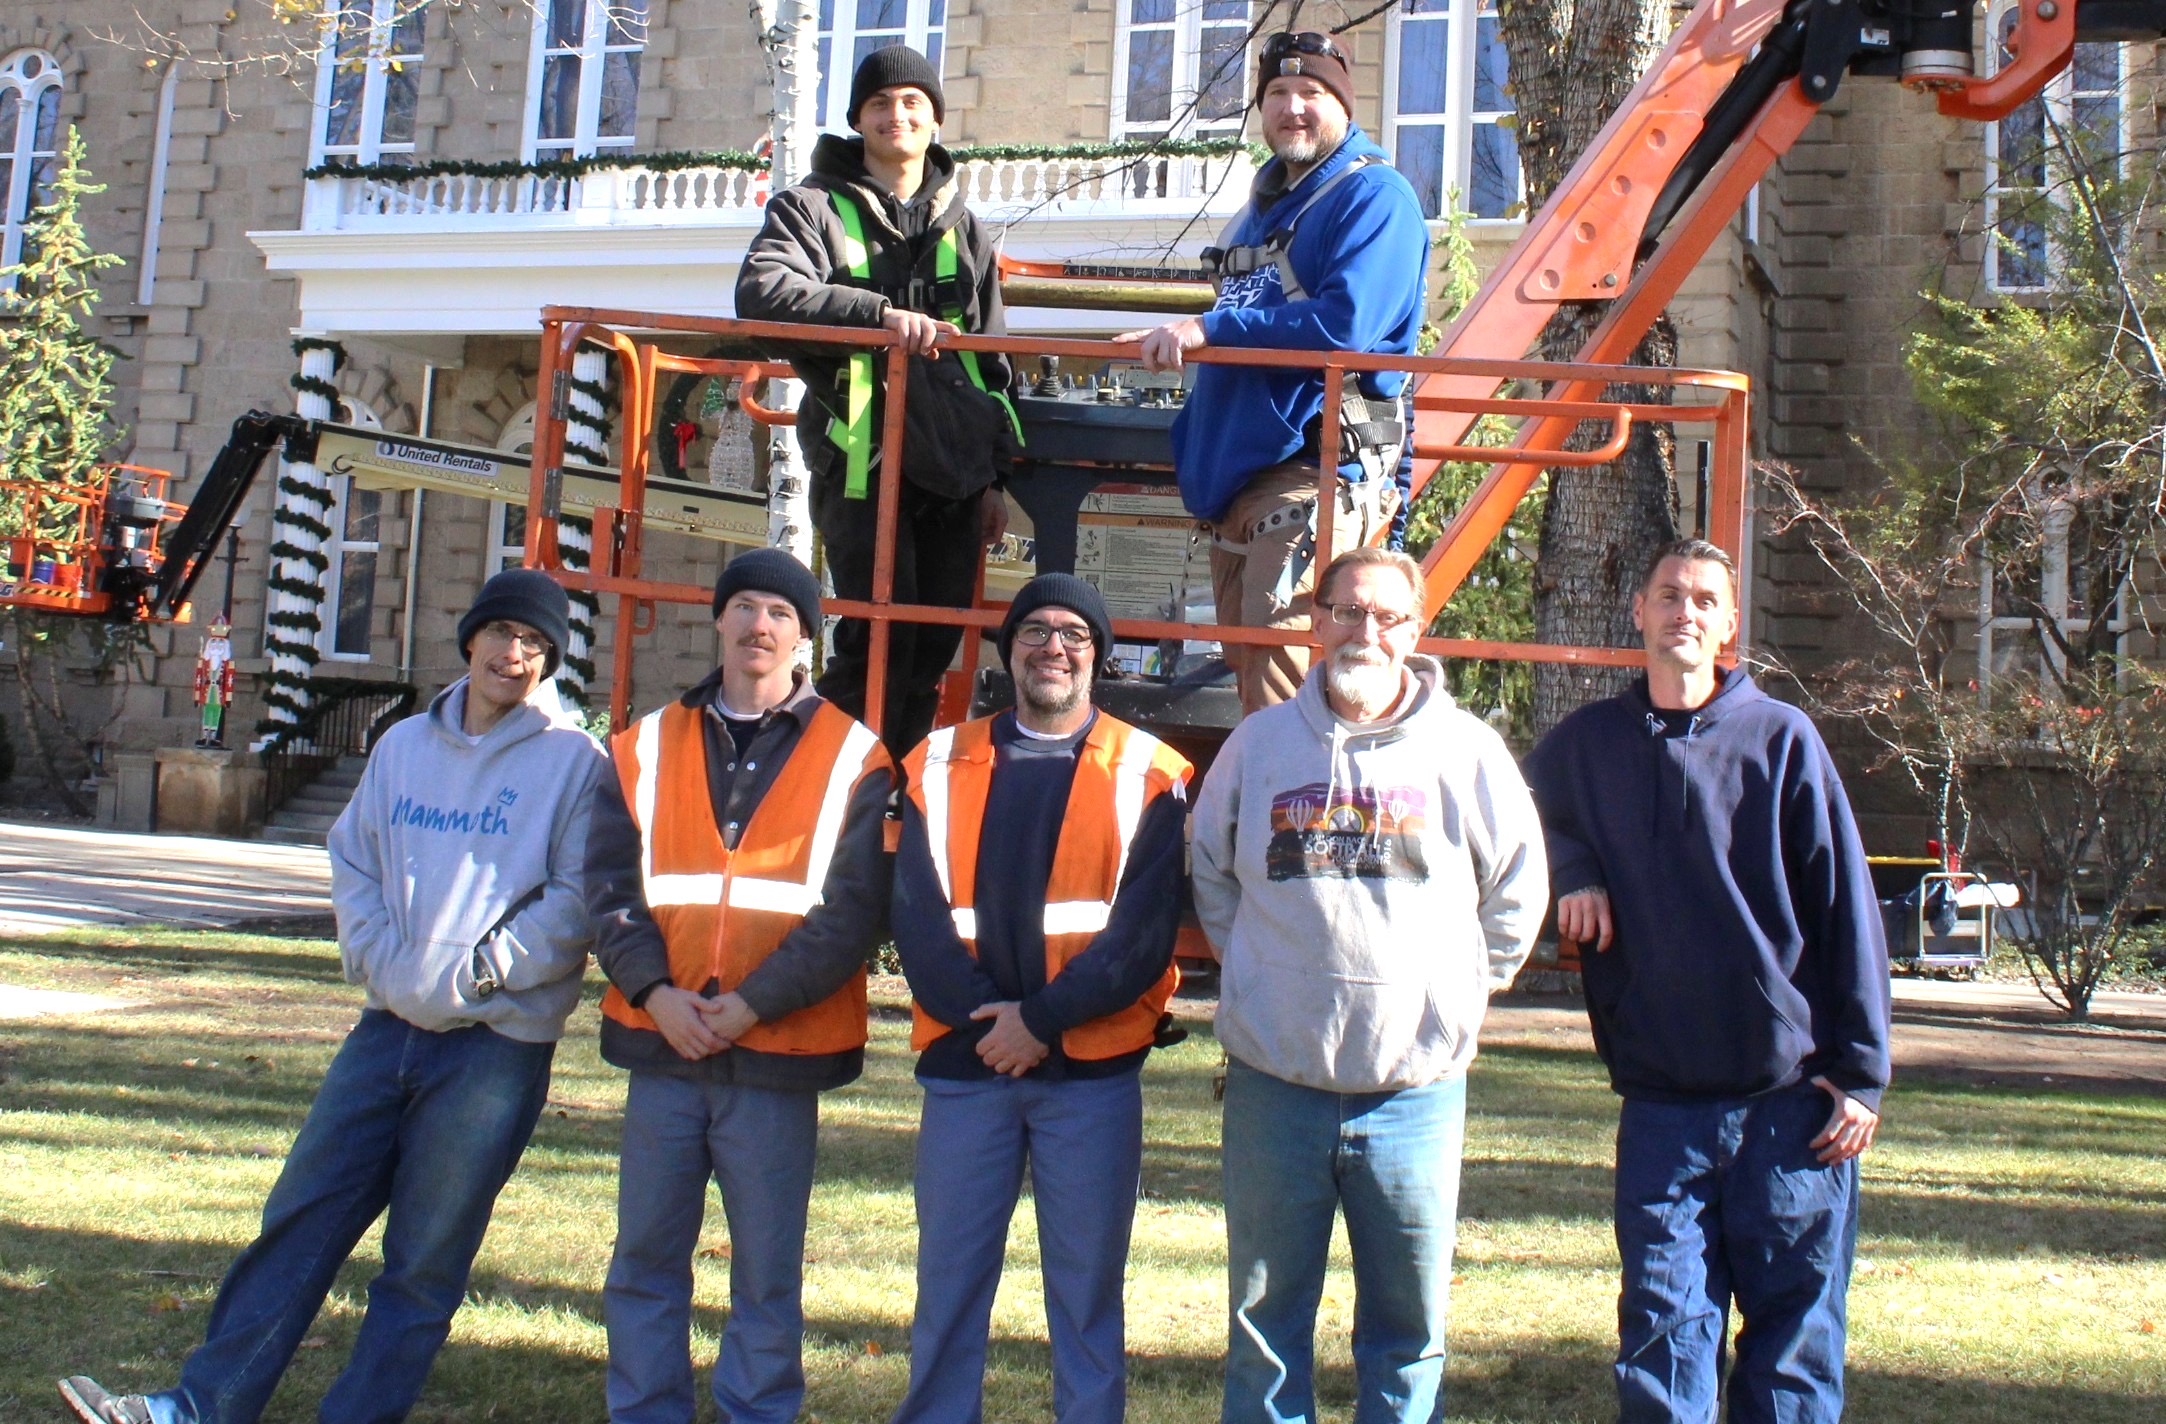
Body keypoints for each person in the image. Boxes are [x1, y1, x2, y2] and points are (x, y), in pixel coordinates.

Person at [60, 569, 605, 1424]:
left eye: (536, 644)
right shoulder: (402, 748)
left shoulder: (576, 764)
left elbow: (578, 899)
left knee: (423, 1263)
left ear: (551, 662)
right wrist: (382, 961)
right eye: (503, 633)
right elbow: (353, 860)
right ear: (471, 638)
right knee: (299, 1223)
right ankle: (199, 1408)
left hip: (494, 1049)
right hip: (384, 1030)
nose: (515, 654)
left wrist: (484, 972)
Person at [1524, 538, 1890, 1424]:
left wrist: (1863, 1070)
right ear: (1639, 613)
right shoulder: (1588, 744)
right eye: (1667, 595)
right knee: (1661, 1332)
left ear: (1728, 625)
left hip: (1790, 1103)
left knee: (1792, 1343)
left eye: (1702, 600)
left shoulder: (1781, 740)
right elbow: (1513, 819)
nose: (1682, 612)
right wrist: (1572, 870)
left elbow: (1847, 908)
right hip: (1662, 1104)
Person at [1190, 548, 1547, 1422]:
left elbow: (1519, 890)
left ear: (1415, 630)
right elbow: (1210, 872)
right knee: (1266, 1328)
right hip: (1277, 1087)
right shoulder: (1258, 745)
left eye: (1387, 616)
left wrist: (1458, 995)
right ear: (1316, 623)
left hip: (1414, 1096)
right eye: (1348, 611)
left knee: (1407, 1329)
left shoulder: (1468, 752)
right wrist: (1271, 981)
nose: (1366, 632)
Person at [586, 548, 893, 1424]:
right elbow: (608, 888)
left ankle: (757, 1411)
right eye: (747, 607)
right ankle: (645, 1410)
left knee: (765, 1268)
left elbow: (852, 910)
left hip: (776, 1053)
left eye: (782, 614)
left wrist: (753, 1001)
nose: (761, 626)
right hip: (665, 1046)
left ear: (804, 637)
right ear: (719, 620)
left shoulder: (857, 758)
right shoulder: (642, 746)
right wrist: (655, 994)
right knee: (644, 1255)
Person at [886, 573, 1191, 1424]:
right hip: (965, 1069)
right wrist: (994, 1029)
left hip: (1089, 1075)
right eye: (1035, 631)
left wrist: (1039, 1024)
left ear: (1097, 655)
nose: (1054, 647)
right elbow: (914, 919)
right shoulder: (935, 763)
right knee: (947, 1284)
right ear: (1008, 649)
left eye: (1074, 635)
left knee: (1087, 1293)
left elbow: (1142, 936)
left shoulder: (1150, 773)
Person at [1119, 32, 1429, 715]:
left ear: (1344, 106)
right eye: (1278, 95)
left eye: (1312, 94)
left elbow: (1345, 328)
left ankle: (1303, 819)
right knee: (1258, 681)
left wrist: (1209, 328)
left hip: (1313, 475)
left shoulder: (1375, 197)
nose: (1294, 108)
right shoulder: (1256, 213)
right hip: (1240, 489)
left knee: (1290, 693)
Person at [736, 46, 1017, 758]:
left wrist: (995, 481)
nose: (899, 115)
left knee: (929, 652)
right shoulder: (810, 209)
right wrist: (876, 315)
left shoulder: (967, 229)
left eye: (913, 103)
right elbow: (762, 293)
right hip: (862, 463)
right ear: (860, 119)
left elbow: (995, 362)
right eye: (882, 104)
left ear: (935, 119)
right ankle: (828, 791)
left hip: (953, 475)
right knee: (873, 645)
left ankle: (889, 791)